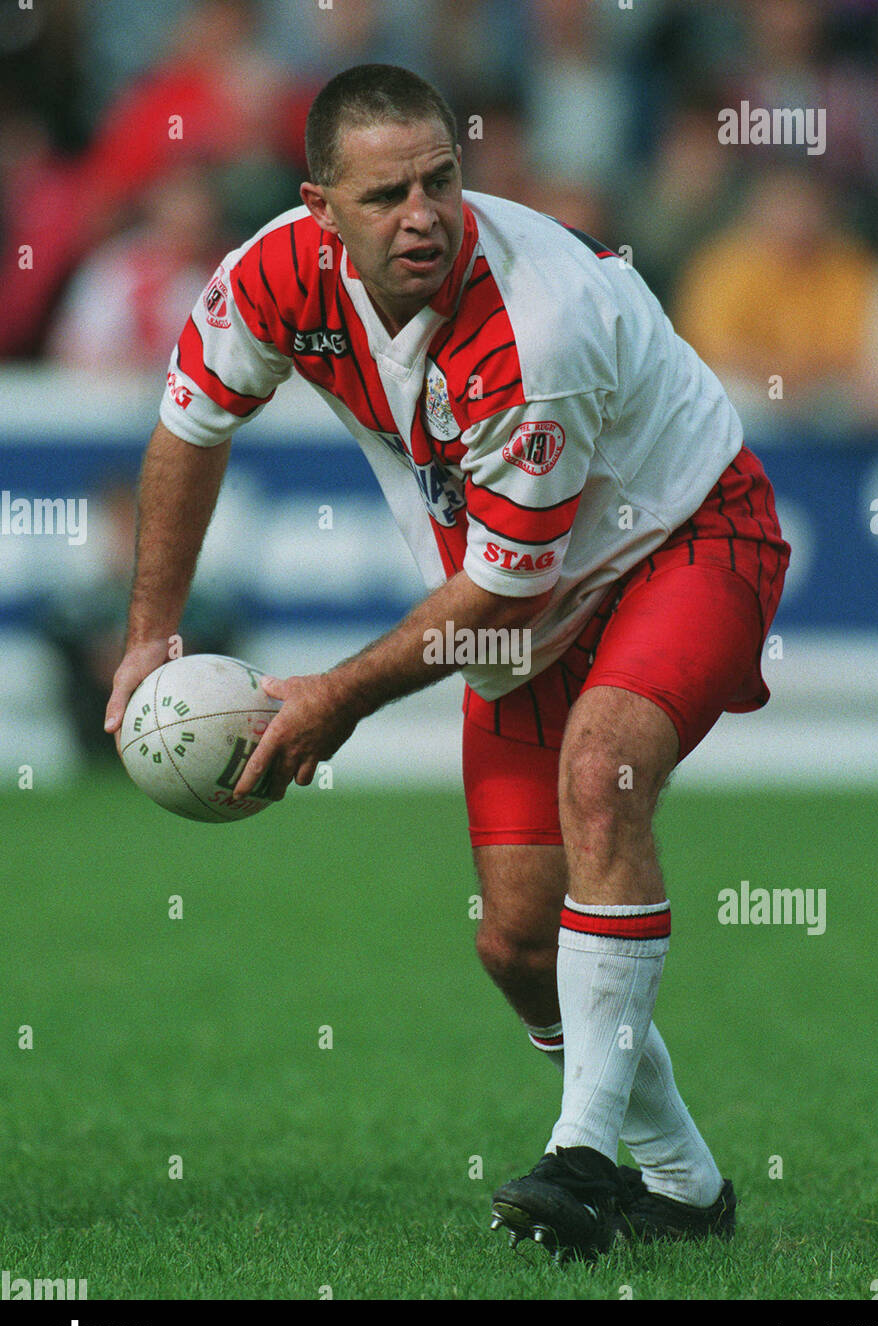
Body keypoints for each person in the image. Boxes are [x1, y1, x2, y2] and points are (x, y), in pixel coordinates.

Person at [105, 64, 790, 1261]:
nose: (422, 213)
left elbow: (504, 586)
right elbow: (190, 424)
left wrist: (334, 698)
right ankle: (684, 1188)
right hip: (523, 600)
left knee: (602, 764)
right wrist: (150, 638)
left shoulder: (540, 327)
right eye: (385, 196)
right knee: (516, 941)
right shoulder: (270, 275)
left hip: (685, 534)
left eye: (440, 180)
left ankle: (580, 1158)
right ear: (320, 209)